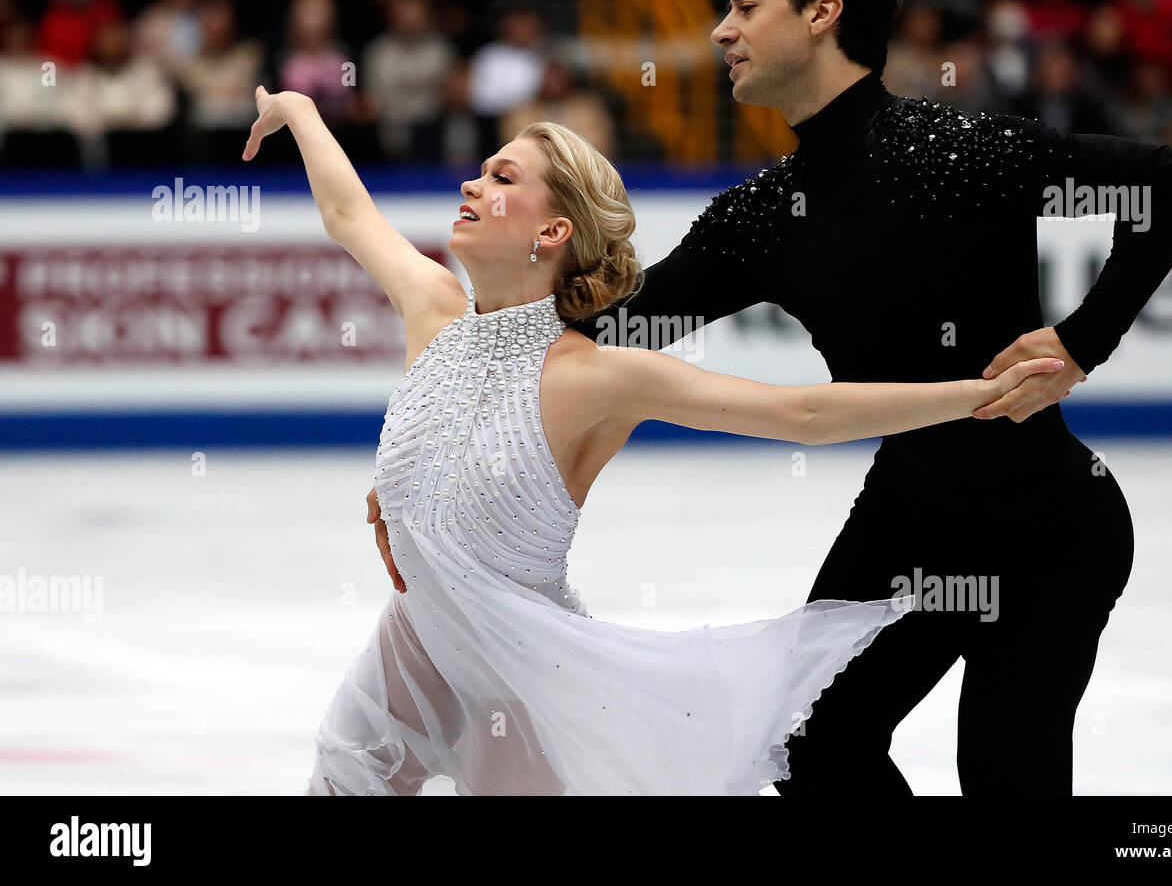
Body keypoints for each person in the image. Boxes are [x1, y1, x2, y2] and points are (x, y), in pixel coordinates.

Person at [371, 0, 1172, 795]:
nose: (720, 30)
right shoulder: (765, 218)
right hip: (911, 520)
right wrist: (424, 457)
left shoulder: (961, 151)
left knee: (1005, 769)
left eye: (744, 5)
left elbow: (1168, 181)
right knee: (809, 742)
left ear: (821, 14)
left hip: (1053, 532)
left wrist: (1083, 341)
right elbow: (595, 334)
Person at [242, 85, 1063, 795]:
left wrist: (979, 394)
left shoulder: (593, 375)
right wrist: (302, 111)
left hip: (520, 677)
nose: (471, 180)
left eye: (501, 177)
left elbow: (800, 414)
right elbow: (348, 211)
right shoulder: (430, 305)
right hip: (410, 647)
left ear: (553, 230)